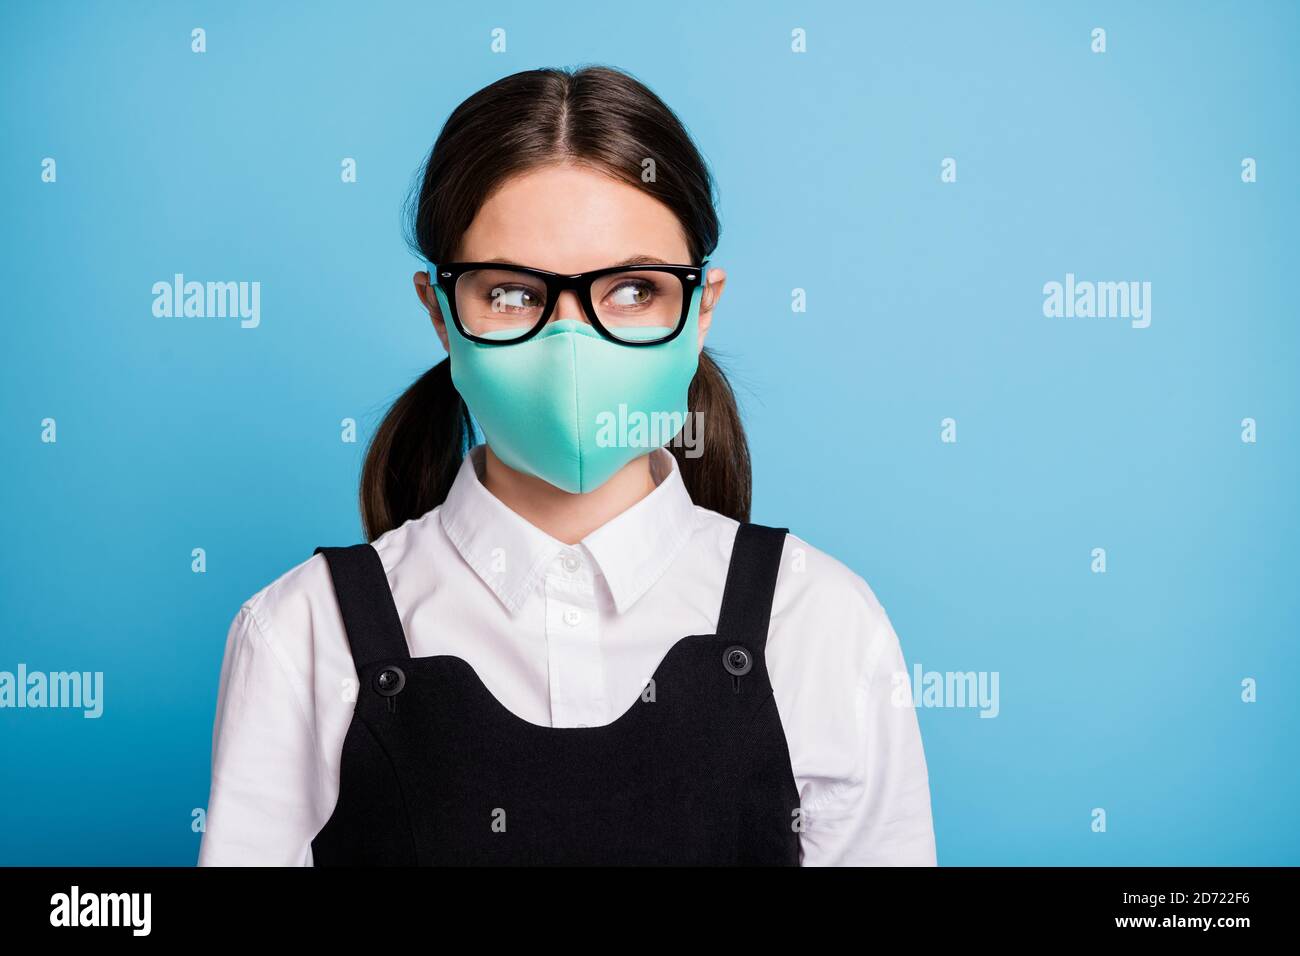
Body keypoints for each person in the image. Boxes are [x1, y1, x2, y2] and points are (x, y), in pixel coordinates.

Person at [197, 64, 937, 866]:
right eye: (513, 295)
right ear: (440, 314)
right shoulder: (301, 635)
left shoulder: (822, 623)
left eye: (631, 290)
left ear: (699, 309)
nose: (573, 346)